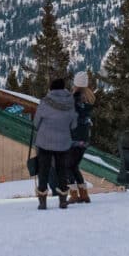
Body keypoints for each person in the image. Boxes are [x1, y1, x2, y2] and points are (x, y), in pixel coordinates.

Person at [32, 76, 77, 210]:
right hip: (63, 143)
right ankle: (62, 200)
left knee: (43, 170)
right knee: (61, 170)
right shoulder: (70, 102)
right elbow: (73, 124)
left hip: (45, 141)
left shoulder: (45, 102)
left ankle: (42, 201)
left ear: (51, 88)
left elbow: (36, 122)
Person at [65, 71, 94, 204]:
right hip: (84, 139)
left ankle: (74, 194)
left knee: (68, 166)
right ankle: (84, 194)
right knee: (74, 166)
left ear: (76, 84)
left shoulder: (74, 99)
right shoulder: (89, 98)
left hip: (73, 138)